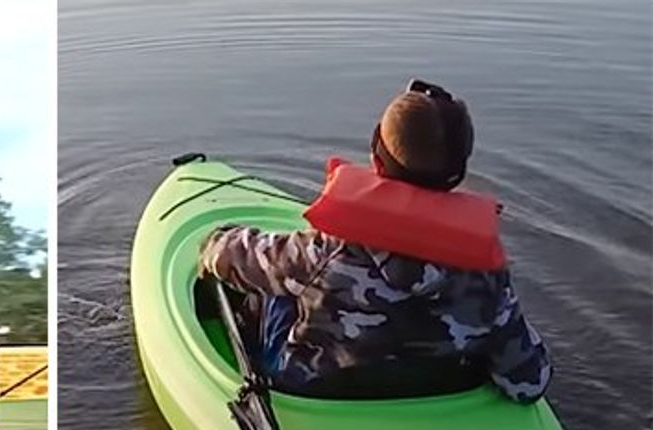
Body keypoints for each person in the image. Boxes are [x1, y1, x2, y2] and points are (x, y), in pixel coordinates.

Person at [198, 79, 550, 403]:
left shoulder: (326, 250)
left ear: (376, 158)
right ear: (458, 173)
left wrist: (216, 241)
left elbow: (226, 257)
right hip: (431, 394)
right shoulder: (486, 274)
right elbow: (529, 383)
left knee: (276, 288)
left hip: (314, 390)